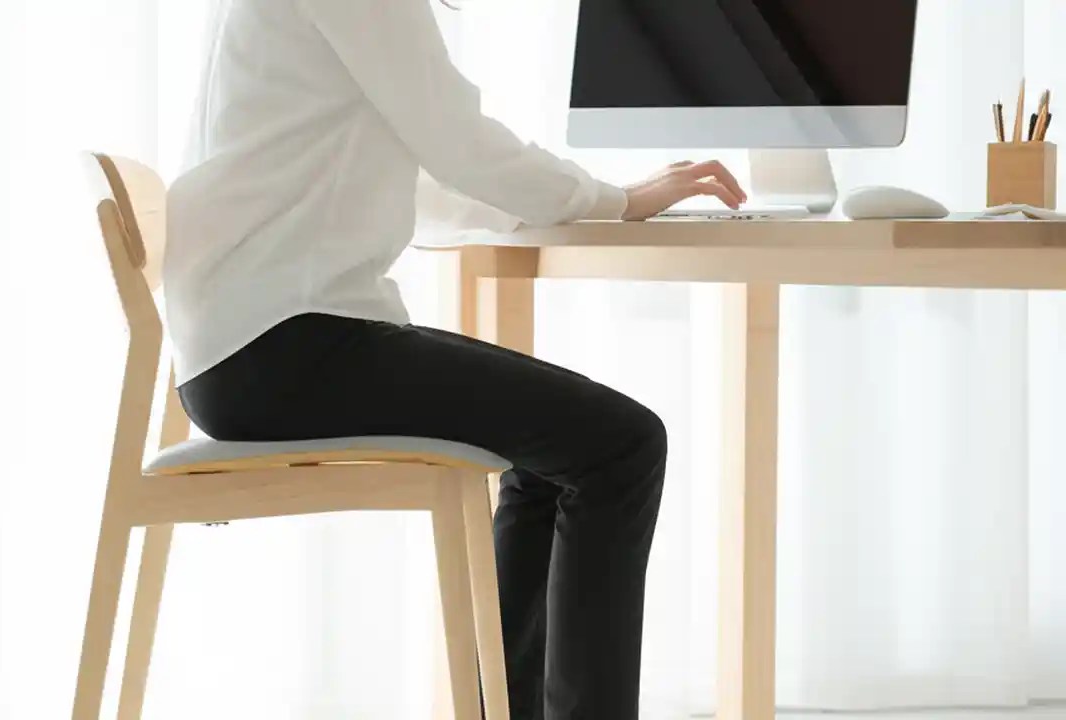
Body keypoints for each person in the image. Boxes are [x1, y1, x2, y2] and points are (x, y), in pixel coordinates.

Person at [165, 0, 745, 717]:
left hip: (253, 348)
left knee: (557, 455)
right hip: (289, 344)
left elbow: (429, 169)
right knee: (622, 446)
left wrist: (586, 201)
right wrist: (617, 200)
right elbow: (459, 143)